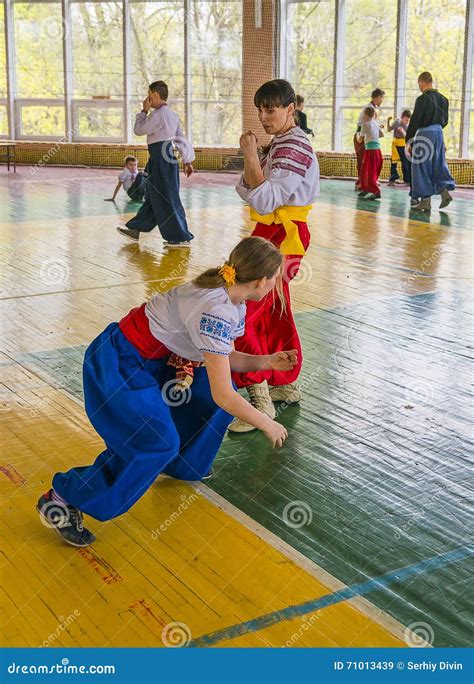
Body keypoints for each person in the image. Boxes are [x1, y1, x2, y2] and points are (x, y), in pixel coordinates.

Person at [36, 237, 297, 547]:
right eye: (276, 277)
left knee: (205, 392)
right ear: (261, 282)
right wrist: (266, 422)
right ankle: (63, 497)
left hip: (154, 363)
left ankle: (183, 462)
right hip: (121, 363)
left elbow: (223, 360)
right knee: (155, 442)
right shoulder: (215, 310)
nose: (277, 283)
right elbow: (223, 394)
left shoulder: (232, 301)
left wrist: (264, 361)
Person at [231, 79, 319, 433]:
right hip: (272, 233)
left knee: (245, 308)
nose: (264, 117)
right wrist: (255, 173)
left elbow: (261, 198)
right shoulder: (280, 143)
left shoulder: (294, 147)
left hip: (284, 237)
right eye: (260, 110)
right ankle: (284, 381)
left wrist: (252, 158)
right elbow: (246, 188)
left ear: (290, 109)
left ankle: (260, 398)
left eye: (271, 109)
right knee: (273, 310)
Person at [116, 80, 194, 246]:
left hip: (161, 160)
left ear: (156, 95)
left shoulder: (158, 115)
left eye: (150, 96)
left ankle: (180, 236)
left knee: (166, 197)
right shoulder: (172, 115)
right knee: (152, 196)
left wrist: (143, 111)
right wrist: (187, 160)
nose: (148, 100)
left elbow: (138, 130)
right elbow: (181, 138)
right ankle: (136, 229)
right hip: (164, 158)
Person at [406, 72, 455, 212]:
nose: (419, 87)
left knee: (420, 166)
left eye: (419, 84)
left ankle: (425, 200)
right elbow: (445, 121)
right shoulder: (444, 100)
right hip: (439, 133)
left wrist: (409, 140)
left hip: (425, 134)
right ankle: (444, 192)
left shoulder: (422, 99)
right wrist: (437, 130)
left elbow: (415, 121)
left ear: (422, 82)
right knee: (438, 163)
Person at [354, 88, 385, 191]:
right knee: (363, 161)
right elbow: (363, 124)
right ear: (378, 97)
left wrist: (378, 127)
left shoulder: (371, 108)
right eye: (382, 98)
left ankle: (368, 181)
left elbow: (369, 124)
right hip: (362, 137)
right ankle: (361, 183)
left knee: (369, 162)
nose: (382, 100)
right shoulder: (369, 108)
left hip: (367, 137)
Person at [357, 107, 384, 200]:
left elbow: (360, 140)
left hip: (370, 152)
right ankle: (366, 189)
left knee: (369, 172)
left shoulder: (365, 124)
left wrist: (358, 135)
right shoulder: (376, 123)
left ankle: (376, 192)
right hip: (377, 151)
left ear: (365, 115)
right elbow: (382, 135)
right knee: (365, 171)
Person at [387, 110, 411, 186]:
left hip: (403, 145)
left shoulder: (408, 127)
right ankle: (392, 180)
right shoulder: (397, 122)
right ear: (401, 118)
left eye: (408, 120)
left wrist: (403, 131)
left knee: (405, 163)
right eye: (406, 120)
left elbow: (407, 137)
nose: (407, 122)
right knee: (393, 162)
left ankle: (407, 180)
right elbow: (389, 129)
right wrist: (388, 121)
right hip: (395, 145)